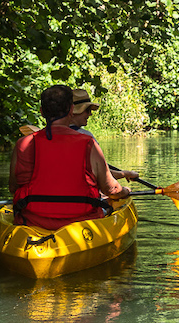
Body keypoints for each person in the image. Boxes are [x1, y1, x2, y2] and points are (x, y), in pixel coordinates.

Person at [10, 85, 128, 230]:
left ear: (42, 112)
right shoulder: (88, 144)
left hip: (32, 222)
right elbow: (111, 189)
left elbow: (13, 187)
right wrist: (125, 191)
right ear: (71, 110)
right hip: (82, 223)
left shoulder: (24, 144)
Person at [63, 89, 141, 183]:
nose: (90, 114)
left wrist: (124, 173)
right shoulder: (86, 136)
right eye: (87, 110)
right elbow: (103, 175)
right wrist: (125, 174)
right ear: (74, 112)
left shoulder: (51, 134)